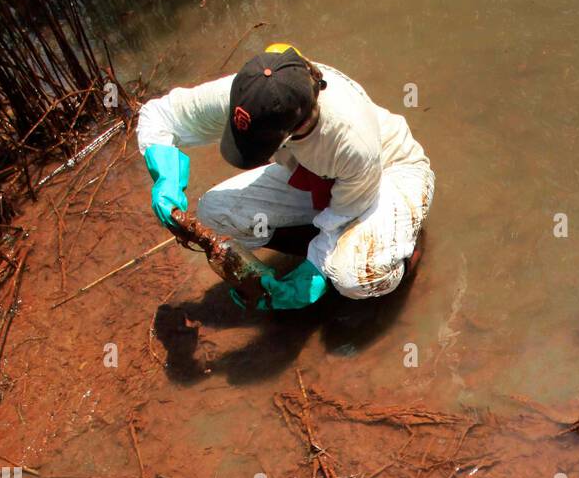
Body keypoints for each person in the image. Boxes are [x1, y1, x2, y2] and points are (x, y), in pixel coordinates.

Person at [137, 43, 433, 310]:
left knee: (353, 278)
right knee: (215, 212)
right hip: (317, 178)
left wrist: (314, 272)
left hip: (387, 175)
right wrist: (165, 175)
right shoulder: (252, 95)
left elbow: (344, 213)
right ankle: (319, 256)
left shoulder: (351, 140)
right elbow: (159, 115)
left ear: (293, 131)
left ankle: (405, 254)